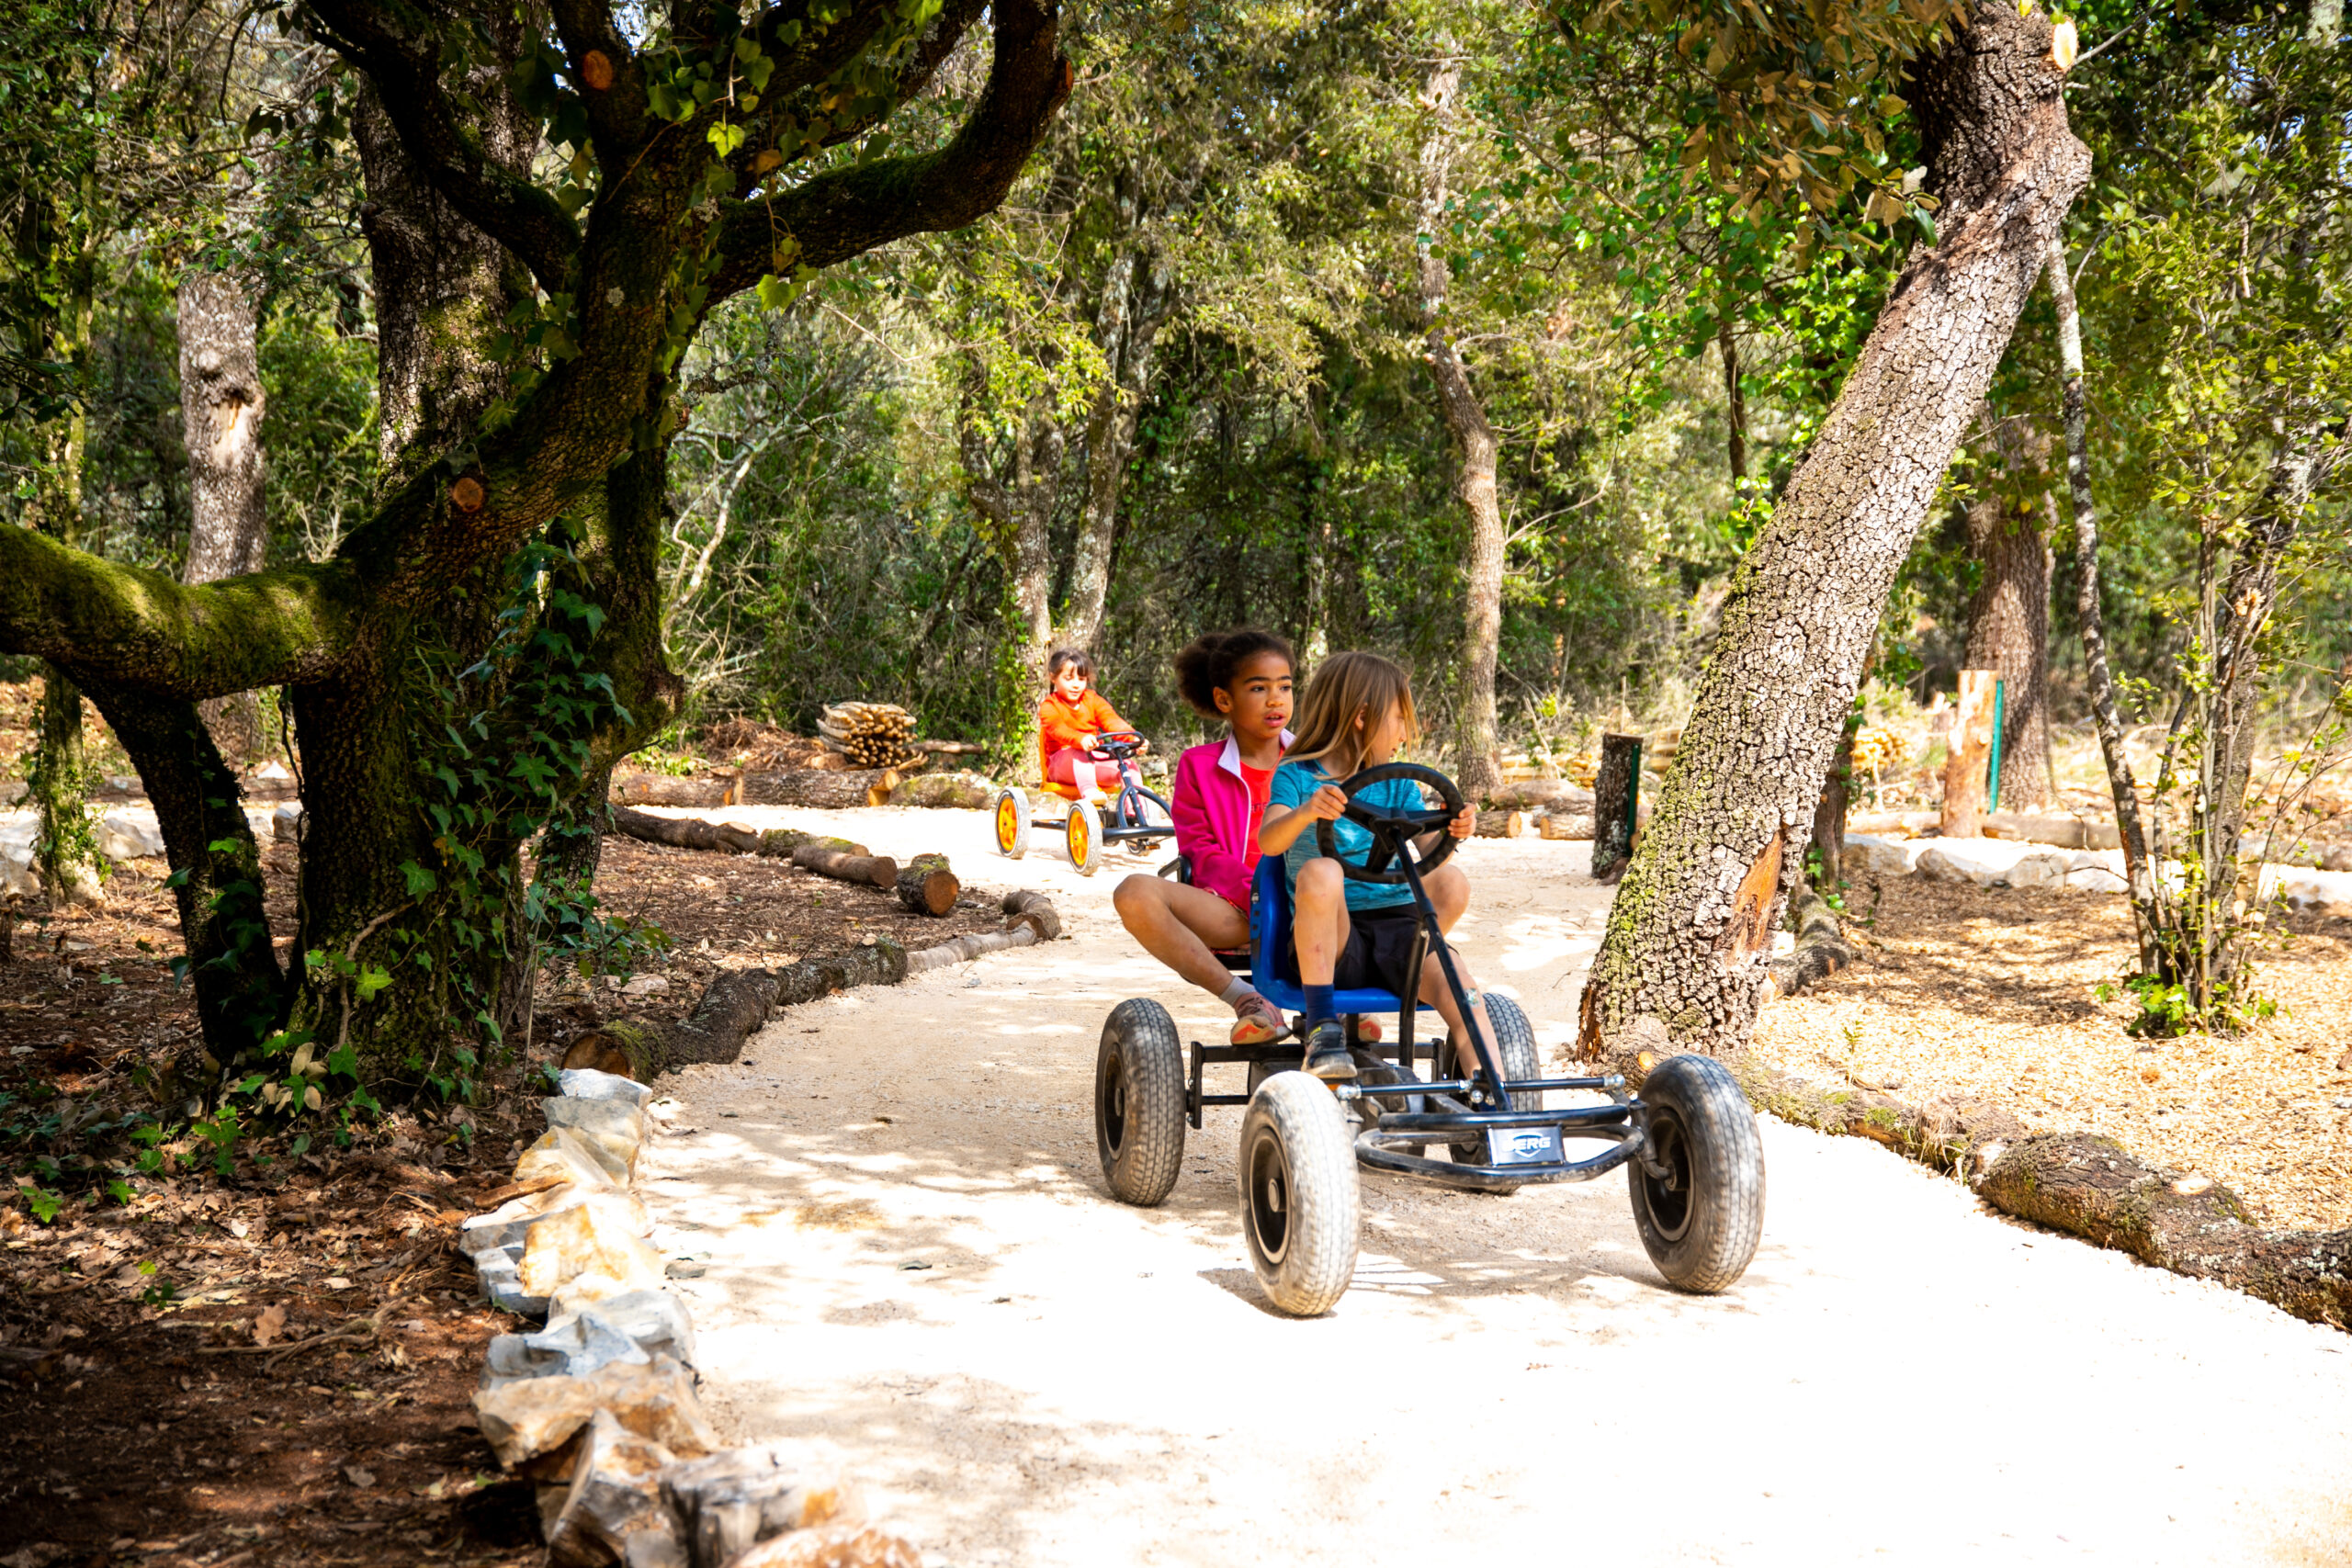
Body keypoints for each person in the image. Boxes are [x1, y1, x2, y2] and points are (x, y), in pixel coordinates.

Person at [1256, 650, 1498, 1084]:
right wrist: (1307, 812)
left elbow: (1424, 844)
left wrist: (1451, 826)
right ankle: (1323, 1025)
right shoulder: (1296, 776)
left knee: (1452, 886)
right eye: (1400, 718)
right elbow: (1269, 840)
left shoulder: (1398, 781)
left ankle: (1495, 1093)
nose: (1405, 732)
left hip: (1402, 932)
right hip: (1331, 940)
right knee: (1322, 871)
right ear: (1363, 718)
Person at [1112, 629, 1295, 1044]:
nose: (1276, 699)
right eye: (1259, 688)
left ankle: (1332, 1015)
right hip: (1234, 909)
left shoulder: (1314, 759)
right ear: (1224, 700)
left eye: (1285, 686)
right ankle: (1247, 1000)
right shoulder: (1199, 765)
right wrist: (1257, 894)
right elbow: (1200, 849)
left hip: (1311, 906)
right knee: (1133, 892)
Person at [1035, 648, 1131, 805]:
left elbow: (1112, 721)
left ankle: (1137, 807)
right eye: (1068, 678)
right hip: (1061, 767)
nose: (1076, 685)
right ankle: (1090, 794)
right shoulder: (1049, 706)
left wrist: (1133, 738)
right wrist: (1080, 739)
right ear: (1053, 678)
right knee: (1080, 752)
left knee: (1127, 764)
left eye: (1081, 679)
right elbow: (1058, 729)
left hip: (1093, 760)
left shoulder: (1092, 699)